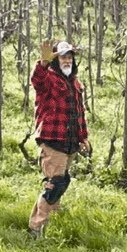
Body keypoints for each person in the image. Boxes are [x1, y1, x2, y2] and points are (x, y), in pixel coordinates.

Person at [28, 39, 89, 236]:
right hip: (53, 140)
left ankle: (53, 217)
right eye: (63, 56)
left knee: (61, 181)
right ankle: (36, 227)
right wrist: (43, 63)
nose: (67, 60)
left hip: (70, 141)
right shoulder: (49, 79)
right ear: (55, 59)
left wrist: (83, 137)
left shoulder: (75, 82)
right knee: (55, 184)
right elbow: (37, 80)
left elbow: (79, 113)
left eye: (69, 57)